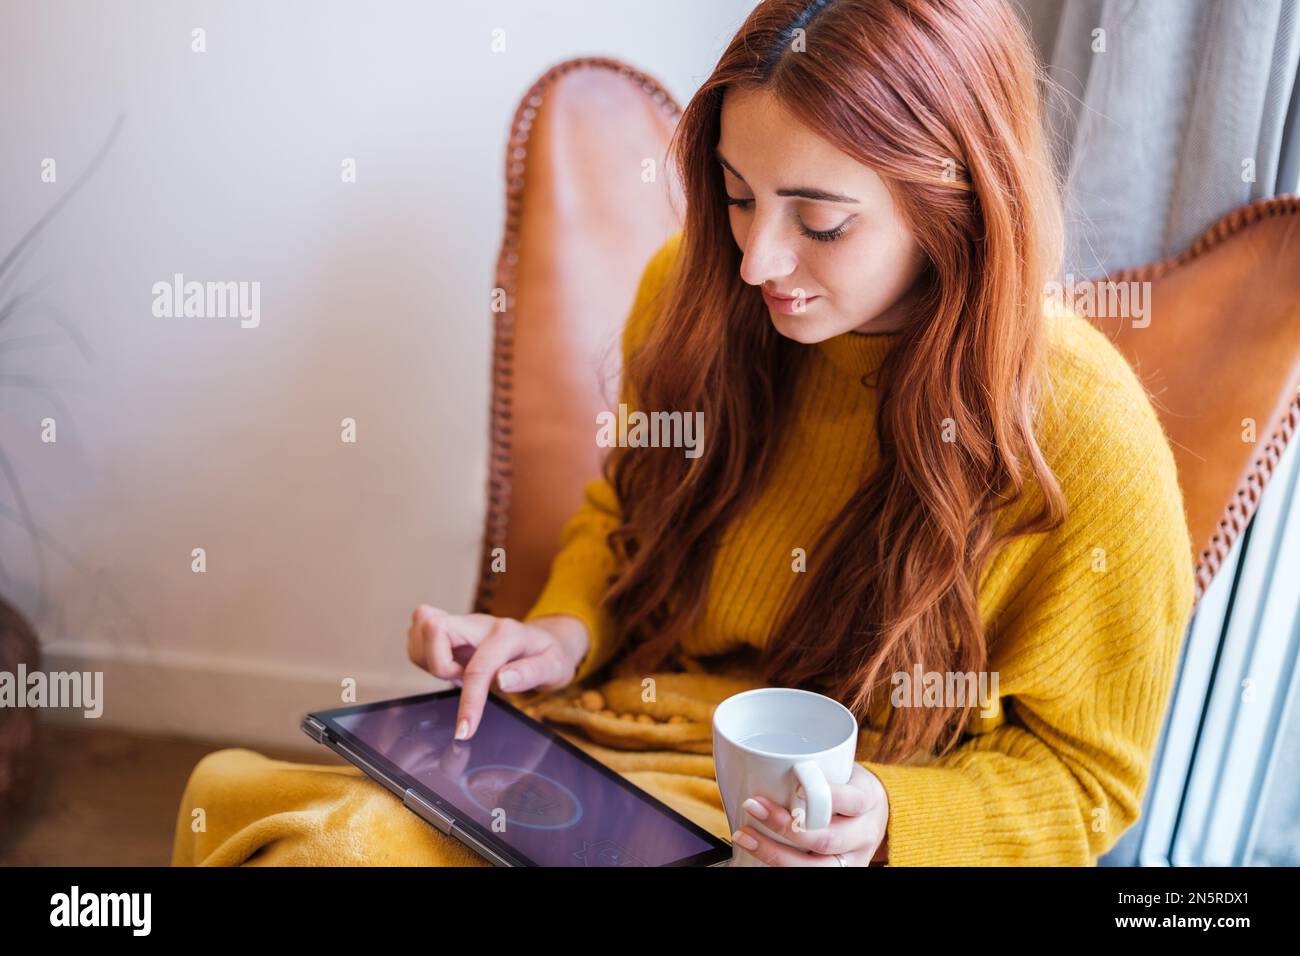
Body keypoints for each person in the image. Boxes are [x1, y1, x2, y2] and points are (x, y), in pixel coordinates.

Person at [173, 0, 1196, 867]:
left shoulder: (1086, 432)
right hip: (623, 751)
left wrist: (889, 817)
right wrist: (558, 633)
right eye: (737, 195)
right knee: (322, 844)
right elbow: (625, 518)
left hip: (841, 825)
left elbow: (1085, 780)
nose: (756, 261)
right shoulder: (692, 295)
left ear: (957, 198)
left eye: (821, 222)